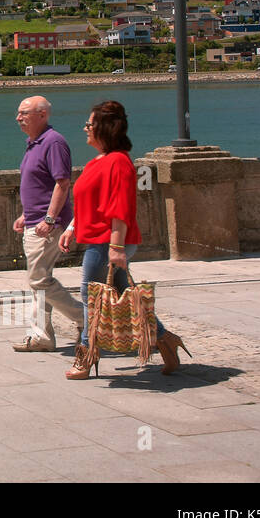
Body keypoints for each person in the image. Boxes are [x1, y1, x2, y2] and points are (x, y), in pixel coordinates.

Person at [59, 100, 191, 380]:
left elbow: (119, 208)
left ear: (104, 129)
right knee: (127, 300)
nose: (85, 128)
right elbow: (90, 203)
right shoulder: (100, 160)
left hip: (108, 242)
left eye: (89, 124)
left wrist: (116, 247)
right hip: (99, 239)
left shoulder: (118, 162)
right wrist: (73, 226)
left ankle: (86, 355)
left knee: (90, 298)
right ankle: (166, 340)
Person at [10, 95, 84, 351]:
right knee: (38, 281)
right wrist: (25, 214)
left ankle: (85, 318)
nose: (19, 118)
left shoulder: (54, 142)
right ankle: (42, 337)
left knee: (38, 280)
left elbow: (62, 183)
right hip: (34, 221)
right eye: (19, 113)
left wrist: (49, 219)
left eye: (24, 113)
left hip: (47, 225)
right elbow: (37, 185)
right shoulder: (33, 143)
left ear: (42, 115)